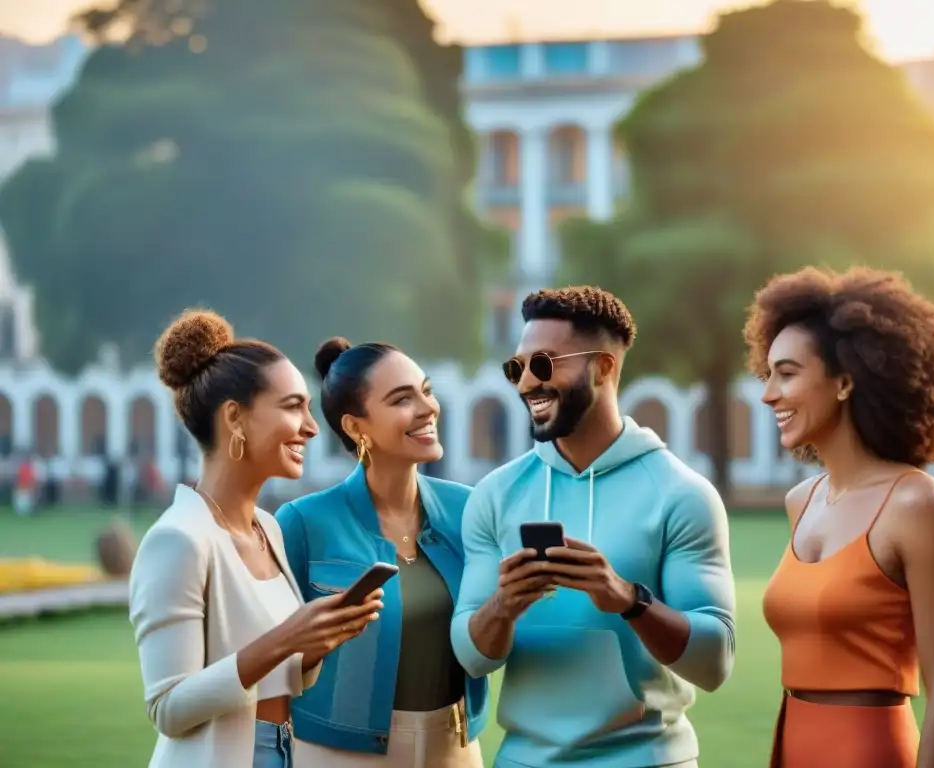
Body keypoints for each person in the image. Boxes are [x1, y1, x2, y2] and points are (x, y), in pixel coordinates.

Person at [452, 286, 737, 768]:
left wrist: (629, 600)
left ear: (603, 367)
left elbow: (714, 662)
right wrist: (503, 607)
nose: (525, 384)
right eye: (516, 368)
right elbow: (472, 657)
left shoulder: (682, 493)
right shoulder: (496, 495)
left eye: (544, 364)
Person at [129, 310, 383, 768]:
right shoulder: (178, 540)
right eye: (292, 407)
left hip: (281, 749)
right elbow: (168, 708)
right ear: (235, 418)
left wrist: (314, 644)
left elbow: (278, 675)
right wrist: (287, 638)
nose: (310, 426)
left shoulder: (267, 528)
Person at [747, 267, 934, 768]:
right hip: (791, 745)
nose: (768, 394)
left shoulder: (918, 504)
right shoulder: (800, 502)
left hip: (870, 752)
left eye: (787, 373)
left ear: (845, 381)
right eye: (768, 375)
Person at [276, 337, 488, 768]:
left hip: (457, 750)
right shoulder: (302, 522)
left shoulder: (468, 509)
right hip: (338, 755)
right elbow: (275, 660)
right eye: (402, 399)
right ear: (356, 427)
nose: (427, 408)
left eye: (426, 391)